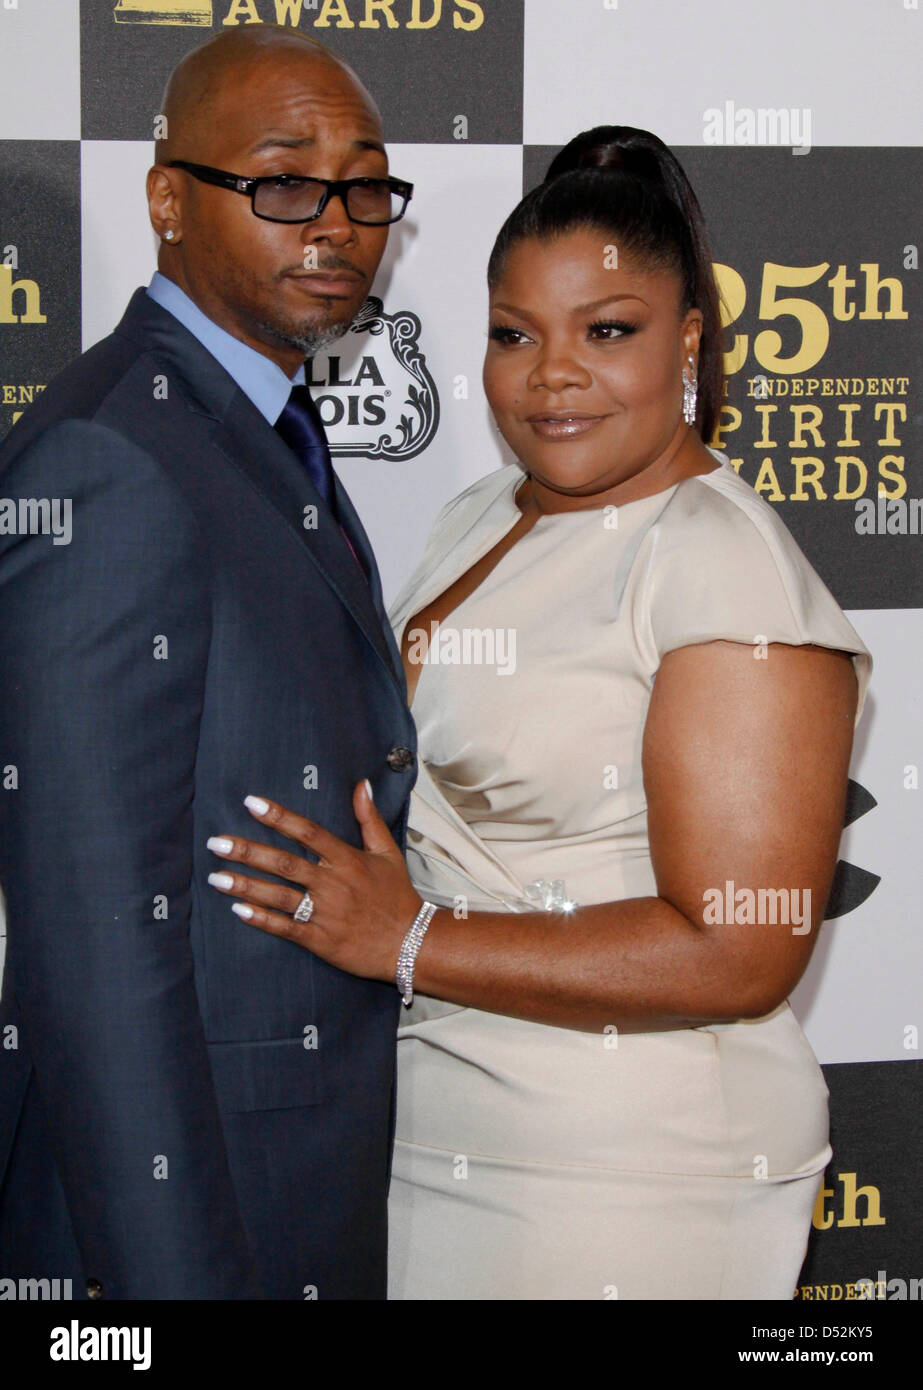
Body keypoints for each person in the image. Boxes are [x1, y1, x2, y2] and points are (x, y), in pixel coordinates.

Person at [206, 125, 874, 1300]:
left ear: (687, 340)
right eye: (514, 335)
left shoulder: (718, 569)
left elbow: (738, 947)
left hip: (627, 1169)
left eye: (606, 331)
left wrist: (406, 937)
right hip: (439, 1117)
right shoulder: (483, 508)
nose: (551, 374)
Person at [0, 27, 417, 1299]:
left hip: (291, 1174)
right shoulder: (114, 460)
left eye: (365, 186)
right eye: (284, 181)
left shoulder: (252, 418)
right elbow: (92, 942)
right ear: (168, 201)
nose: (336, 222)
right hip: (186, 1223)